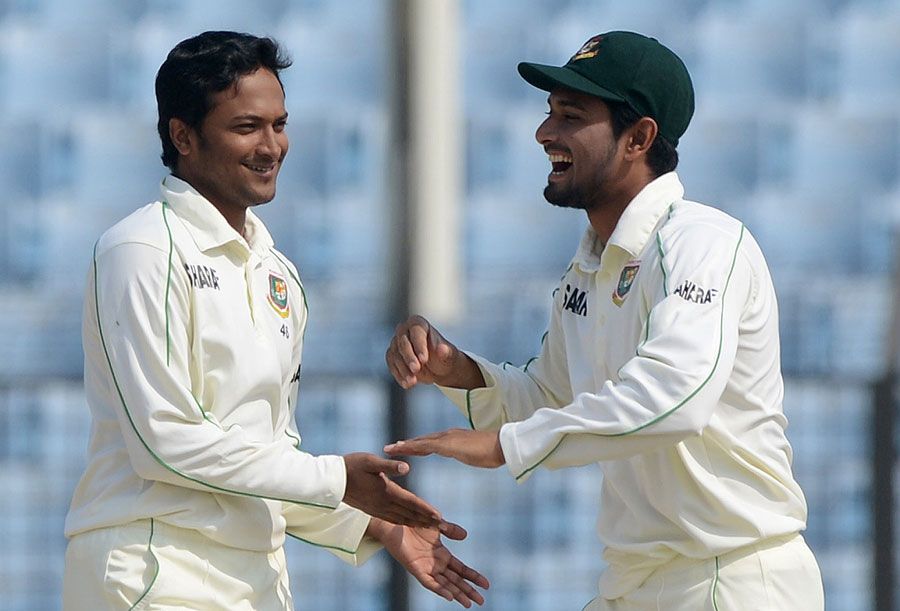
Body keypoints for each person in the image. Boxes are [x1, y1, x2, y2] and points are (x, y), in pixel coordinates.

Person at [385, 31, 824, 610]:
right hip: (637, 581)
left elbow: (672, 398)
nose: (545, 133)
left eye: (571, 116)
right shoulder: (590, 264)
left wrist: (506, 445)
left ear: (638, 137)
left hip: (729, 575)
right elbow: (553, 398)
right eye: (549, 112)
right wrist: (457, 371)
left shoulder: (702, 243)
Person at [63, 31, 488, 610]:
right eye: (246, 127)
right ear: (182, 136)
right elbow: (165, 443)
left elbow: (265, 460)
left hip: (257, 577)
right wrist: (335, 479)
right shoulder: (143, 250)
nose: (271, 147)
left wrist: (375, 524)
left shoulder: (277, 271)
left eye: (279, 125)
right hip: (156, 567)